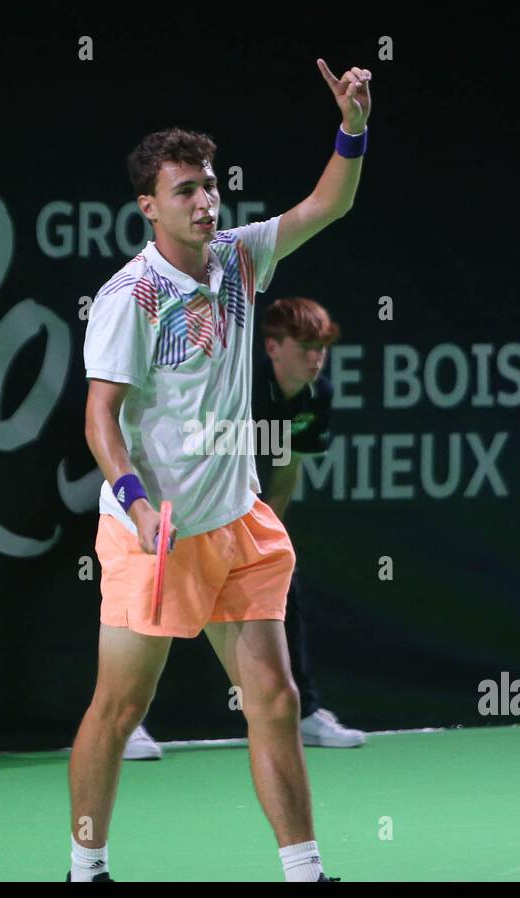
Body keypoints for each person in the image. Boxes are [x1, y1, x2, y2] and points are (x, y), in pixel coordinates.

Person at [68, 59, 373, 882]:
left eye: (209, 186)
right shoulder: (129, 298)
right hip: (152, 531)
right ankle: (84, 866)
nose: (205, 201)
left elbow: (329, 202)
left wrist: (351, 125)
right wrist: (133, 504)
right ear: (148, 207)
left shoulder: (240, 259)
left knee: (274, 698)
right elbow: (101, 418)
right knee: (119, 709)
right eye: (185, 191)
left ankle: (304, 872)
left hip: (234, 522)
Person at [123, 298, 365, 761]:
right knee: (153, 602)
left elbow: (288, 466)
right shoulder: (238, 387)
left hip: (240, 512)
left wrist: (263, 532)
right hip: (178, 502)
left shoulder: (318, 396)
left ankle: (304, 713)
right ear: (272, 347)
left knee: (283, 589)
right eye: (306, 347)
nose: (316, 357)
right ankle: (129, 721)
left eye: (323, 348)